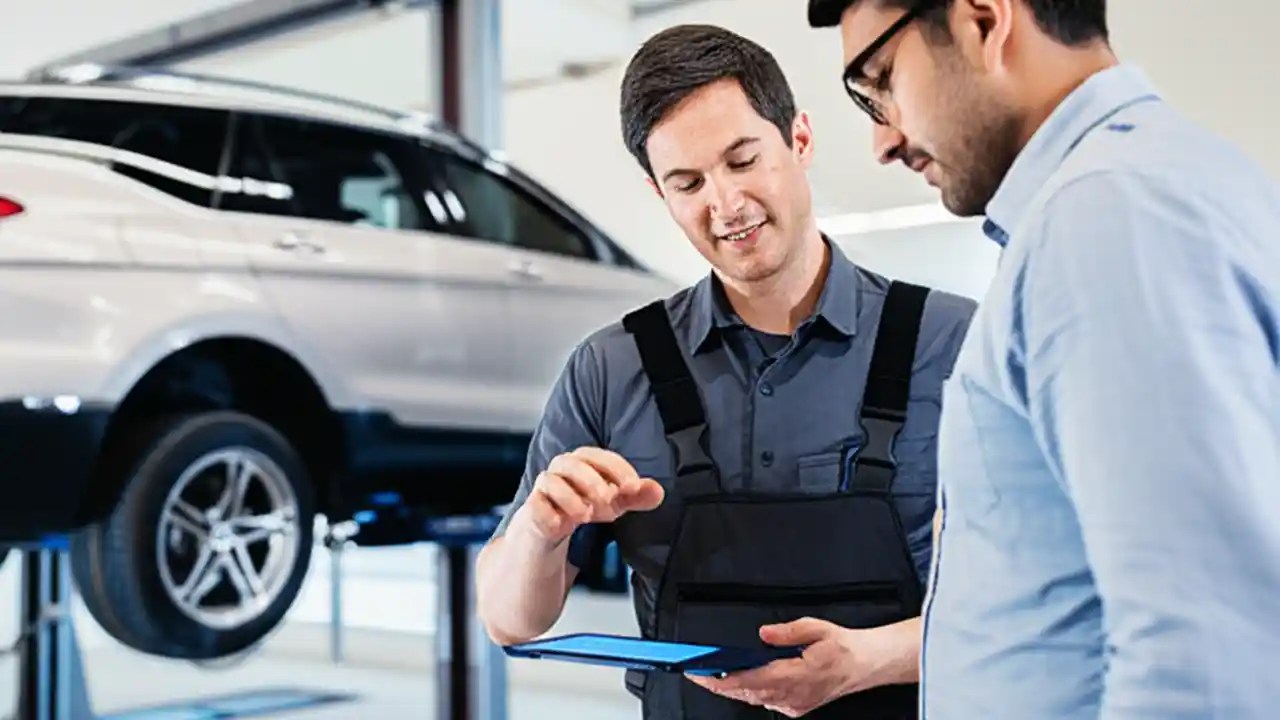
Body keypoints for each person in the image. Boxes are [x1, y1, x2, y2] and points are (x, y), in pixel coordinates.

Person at [475, 23, 976, 720]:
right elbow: (509, 621)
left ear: (798, 140)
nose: (725, 205)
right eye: (688, 183)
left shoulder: (955, 345)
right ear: (660, 194)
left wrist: (867, 661)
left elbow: (1036, 603)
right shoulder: (611, 369)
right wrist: (540, 528)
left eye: (743, 161)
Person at [808, 0, 1280, 717]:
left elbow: (1203, 654)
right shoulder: (1144, 185)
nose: (884, 139)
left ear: (984, 21)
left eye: (882, 80)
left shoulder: (1109, 216)